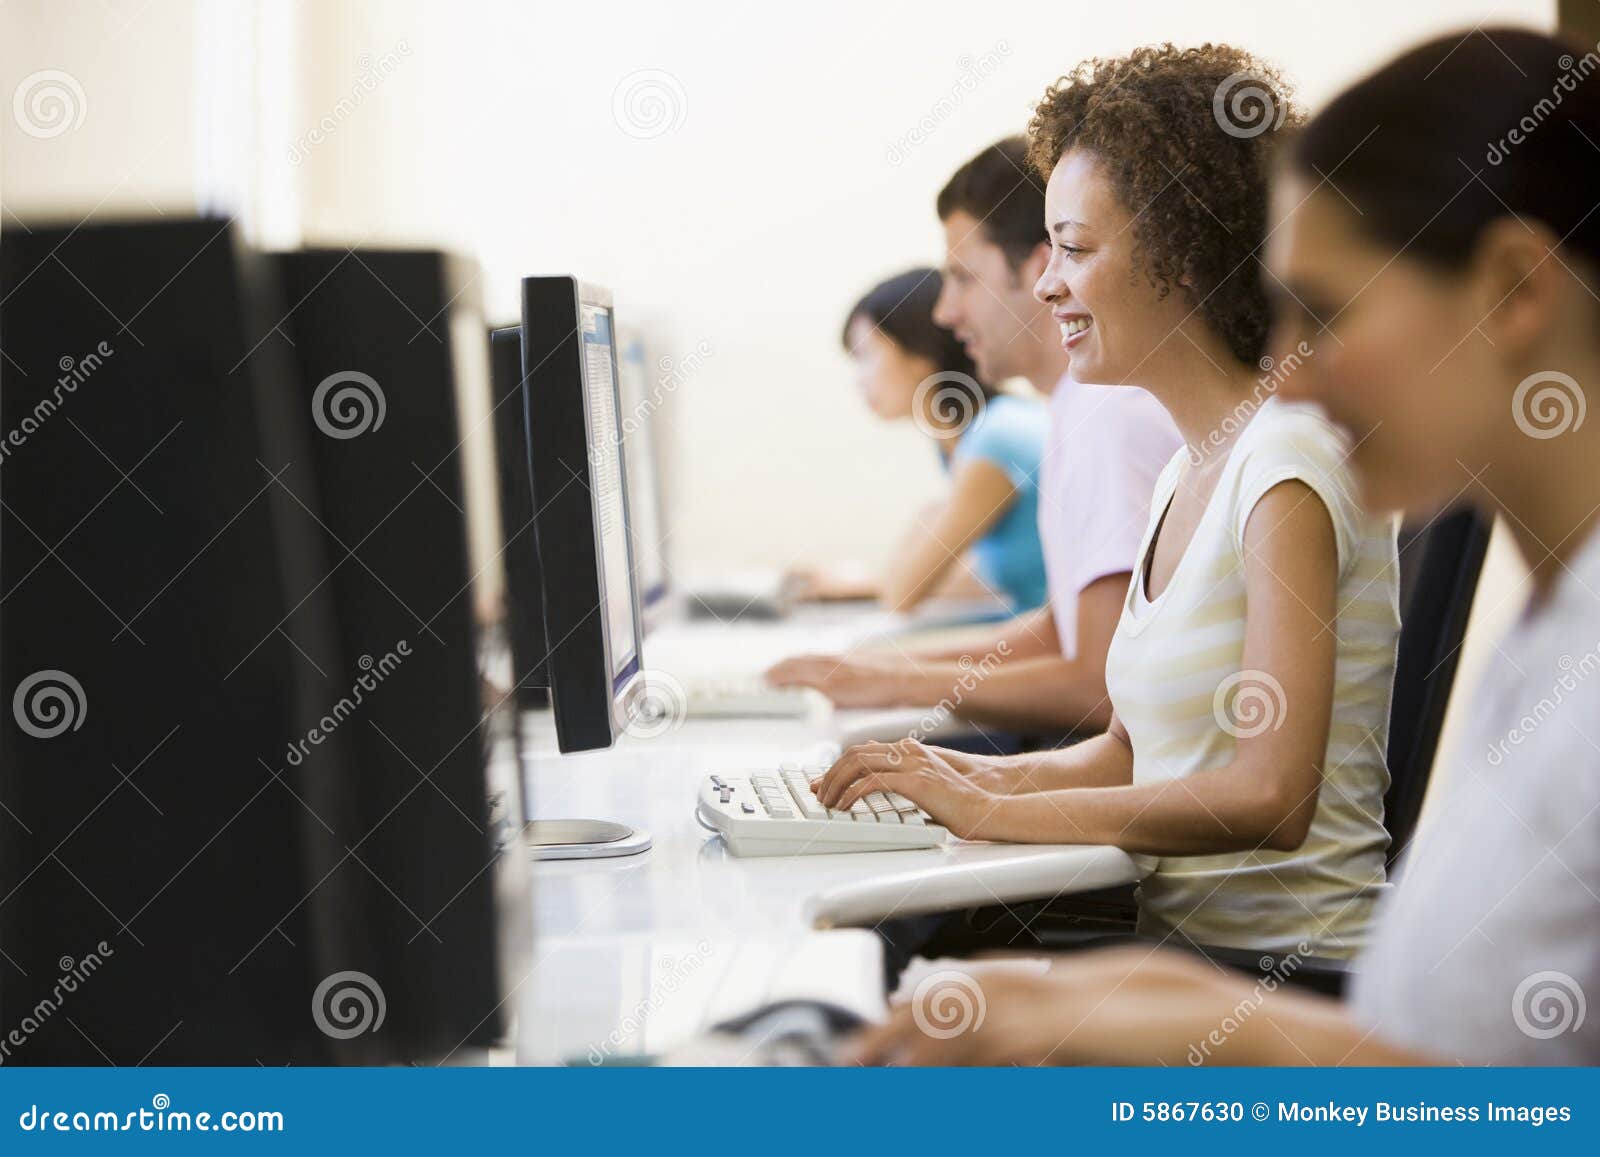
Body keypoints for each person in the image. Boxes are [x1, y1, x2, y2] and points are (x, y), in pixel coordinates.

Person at [851, 27, 1600, 1065]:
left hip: (1281, 975)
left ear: (1518, 290)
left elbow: (1490, 1095)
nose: (1287, 372)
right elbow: (1454, 1043)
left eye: (1327, 314)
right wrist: (1148, 984)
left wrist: (1209, 1020)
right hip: (1256, 980)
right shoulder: (1550, 637)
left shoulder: (1289, 462)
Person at [815, 43, 1402, 958]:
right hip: (1182, 957)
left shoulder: (1286, 462)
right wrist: (959, 775)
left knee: (916, 992)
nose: (1048, 282)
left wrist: (982, 806)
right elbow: (1127, 751)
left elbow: (1271, 797)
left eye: (1076, 250)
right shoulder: (1185, 468)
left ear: (1183, 252)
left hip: (1285, 980)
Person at [768, 138, 1181, 735]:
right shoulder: (1072, 410)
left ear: (1041, 271)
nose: (945, 313)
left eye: (963, 279)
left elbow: (1097, 688)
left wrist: (894, 682)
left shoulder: (1103, 418)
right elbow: (1060, 626)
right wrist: (875, 671)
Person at [795, 267, 1050, 613]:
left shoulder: (996, 438)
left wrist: (928, 516)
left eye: (866, 355)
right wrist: (867, 584)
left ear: (918, 352)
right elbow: (980, 576)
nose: (859, 380)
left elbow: (902, 596)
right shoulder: (973, 436)